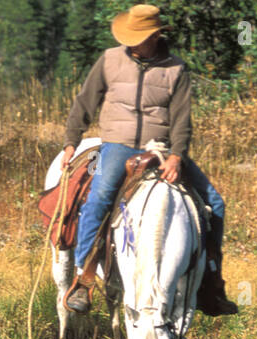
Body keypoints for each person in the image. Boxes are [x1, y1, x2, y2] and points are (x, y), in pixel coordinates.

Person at [60, 4, 238, 317]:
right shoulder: (109, 60)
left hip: (162, 147)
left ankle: (211, 282)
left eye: (139, 37)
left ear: (155, 36)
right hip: (120, 144)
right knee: (98, 200)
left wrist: (176, 157)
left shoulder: (176, 69)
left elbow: (182, 119)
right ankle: (84, 279)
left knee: (216, 204)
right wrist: (71, 142)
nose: (132, 43)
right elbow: (84, 102)